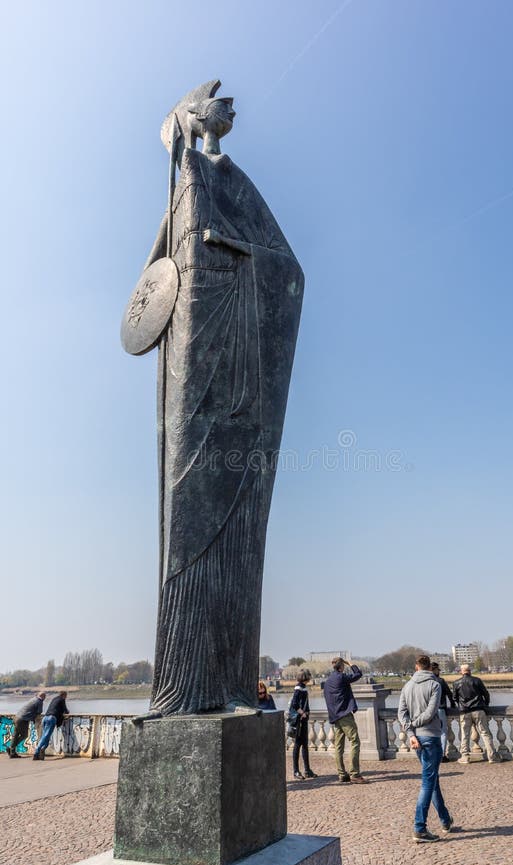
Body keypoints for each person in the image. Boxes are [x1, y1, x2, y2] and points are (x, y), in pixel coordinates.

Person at [126, 80, 303, 717]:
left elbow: (289, 266)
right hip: (186, 366)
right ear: (197, 114)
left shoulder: (230, 178)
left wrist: (230, 249)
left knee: (231, 520)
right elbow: (150, 282)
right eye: (221, 103)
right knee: (184, 517)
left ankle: (226, 683)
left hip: (233, 353)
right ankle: (182, 686)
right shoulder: (185, 176)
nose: (232, 111)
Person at [398, 656, 454, 843]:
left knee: (432, 778)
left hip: (415, 739)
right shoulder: (435, 684)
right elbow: (431, 713)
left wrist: (411, 732)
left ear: (416, 667)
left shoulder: (407, 686)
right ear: (429, 667)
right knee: (427, 782)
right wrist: (415, 725)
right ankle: (419, 827)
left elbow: (401, 713)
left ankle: (445, 820)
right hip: (430, 736)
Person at [323, 657, 367, 784]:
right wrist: (351, 664)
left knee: (338, 746)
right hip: (345, 716)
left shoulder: (328, 681)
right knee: (355, 741)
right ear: (341, 666)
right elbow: (358, 674)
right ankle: (355, 774)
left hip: (335, 716)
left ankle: (342, 774)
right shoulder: (341, 677)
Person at [452, 664, 498, 763]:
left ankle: (465, 757)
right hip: (478, 709)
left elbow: (454, 697)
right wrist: (485, 705)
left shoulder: (456, 683)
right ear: (470, 671)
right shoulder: (477, 680)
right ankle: (492, 756)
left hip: (464, 711)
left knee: (465, 734)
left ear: (461, 671)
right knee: (485, 733)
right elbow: (486, 694)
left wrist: (460, 705)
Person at [288, 669, 317, 780]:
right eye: (309, 675)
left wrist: (306, 713)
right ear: (305, 677)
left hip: (303, 721)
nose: (310, 676)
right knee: (298, 745)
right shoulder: (299, 688)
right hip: (299, 721)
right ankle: (296, 771)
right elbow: (295, 704)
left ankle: (307, 770)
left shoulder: (303, 687)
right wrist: (303, 713)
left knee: (304, 745)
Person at [8, 692, 46, 758]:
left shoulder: (33, 699)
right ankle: (11, 748)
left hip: (17, 717)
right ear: (43, 696)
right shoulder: (39, 701)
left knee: (15, 735)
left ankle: (12, 752)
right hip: (23, 720)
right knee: (24, 735)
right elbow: (39, 712)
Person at [33, 691, 69, 760]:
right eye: (66, 696)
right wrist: (67, 713)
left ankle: (41, 752)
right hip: (51, 718)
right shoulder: (62, 699)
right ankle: (36, 752)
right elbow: (65, 710)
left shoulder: (54, 699)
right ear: (64, 695)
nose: (66, 697)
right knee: (45, 736)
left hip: (45, 718)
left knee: (46, 736)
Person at [431, 662, 456, 761]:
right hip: (440, 709)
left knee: (431, 732)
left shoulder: (426, 682)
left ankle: (433, 754)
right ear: (435, 670)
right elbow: (449, 694)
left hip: (429, 711)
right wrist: (453, 704)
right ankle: (441, 755)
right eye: (438, 670)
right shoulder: (440, 681)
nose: (439, 672)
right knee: (443, 732)